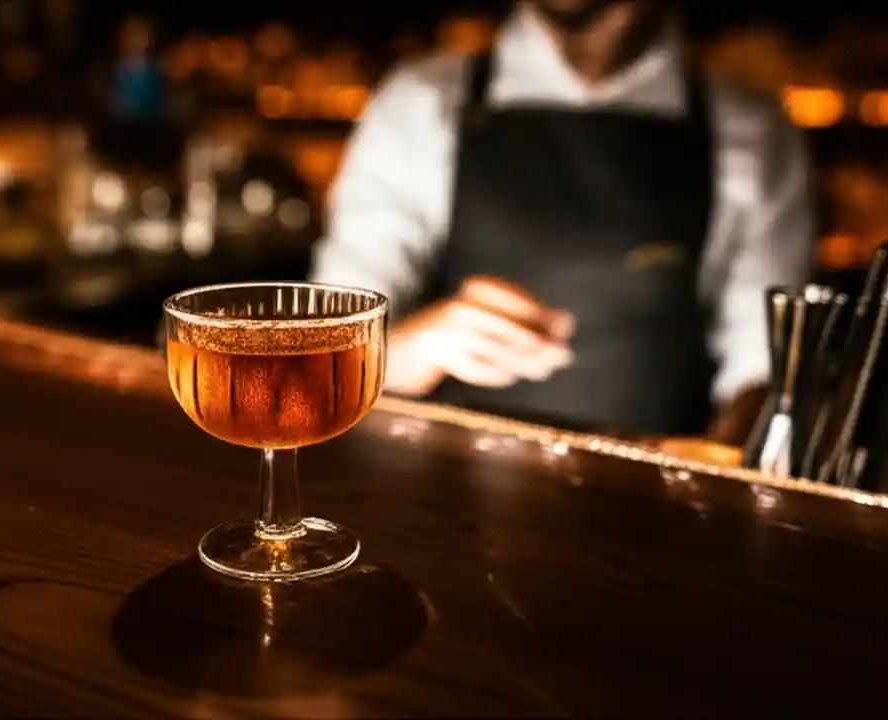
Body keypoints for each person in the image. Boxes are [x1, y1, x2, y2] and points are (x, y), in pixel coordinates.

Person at [310, 0, 814, 441]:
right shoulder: (419, 102)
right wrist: (413, 346)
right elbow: (322, 357)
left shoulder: (753, 131)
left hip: (653, 514)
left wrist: (735, 455)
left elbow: (765, 369)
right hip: (438, 508)